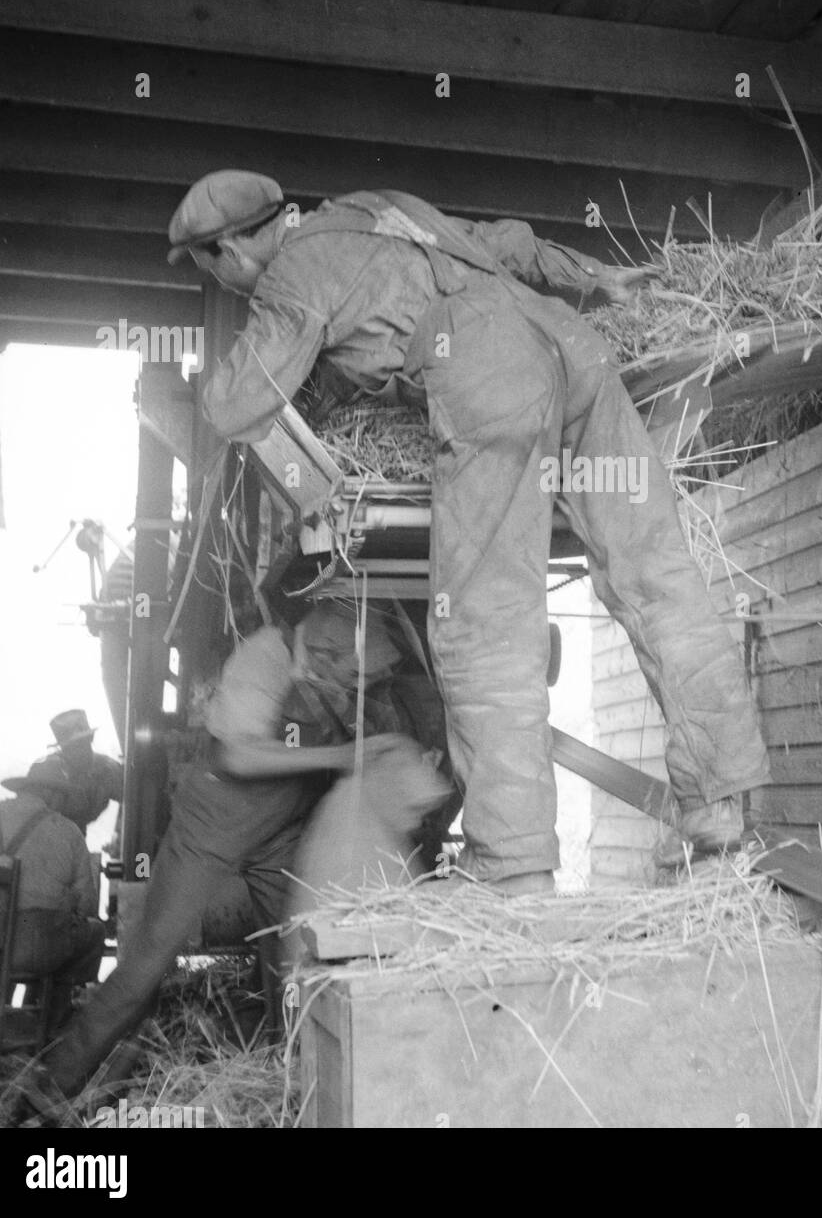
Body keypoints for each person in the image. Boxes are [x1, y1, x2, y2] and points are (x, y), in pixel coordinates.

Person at [166, 173, 772, 894]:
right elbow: (510, 241)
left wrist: (200, 388)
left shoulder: (291, 277)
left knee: (485, 618)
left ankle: (511, 867)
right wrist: (604, 279)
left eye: (210, 264)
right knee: (658, 579)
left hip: (488, 369)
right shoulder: (381, 207)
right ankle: (724, 810)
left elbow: (235, 406)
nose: (221, 278)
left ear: (228, 248)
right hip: (571, 347)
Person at [25, 604, 452, 1107]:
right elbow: (240, 755)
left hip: (279, 831)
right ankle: (49, 1087)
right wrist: (343, 756)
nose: (358, 684)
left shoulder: (332, 675)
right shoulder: (265, 656)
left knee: (300, 951)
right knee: (149, 962)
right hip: (212, 825)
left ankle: (294, 1079)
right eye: (351, 673)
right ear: (321, 651)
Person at [0, 760, 106, 1028]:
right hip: (32, 948)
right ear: (52, 794)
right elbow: (86, 905)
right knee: (92, 933)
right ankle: (48, 1027)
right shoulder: (67, 831)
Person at [43, 710, 123, 835]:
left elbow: (134, 800)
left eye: (81, 744)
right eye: (70, 748)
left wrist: (119, 834)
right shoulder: (49, 772)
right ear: (62, 749)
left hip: (75, 837)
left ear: (91, 739)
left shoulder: (108, 769)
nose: (77, 753)